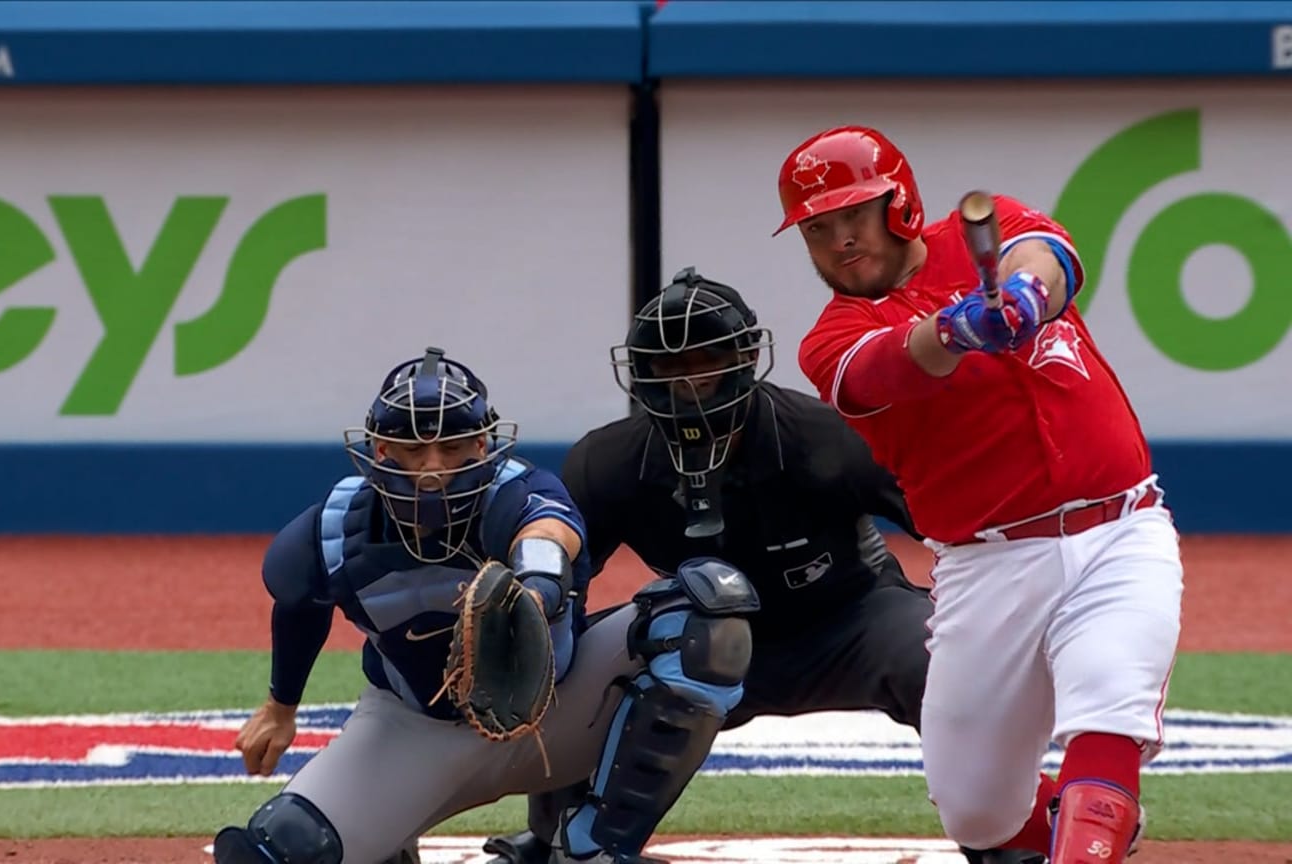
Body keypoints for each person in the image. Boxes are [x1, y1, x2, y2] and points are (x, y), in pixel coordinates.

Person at [773, 125, 1184, 864]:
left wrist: (1025, 293)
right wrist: (957, 329)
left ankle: (1094, 816)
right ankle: (1080, 814)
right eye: (818, 229)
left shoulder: (990, 227)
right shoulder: (829, 340)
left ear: (898, 205)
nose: (839, 240)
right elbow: (890, 365)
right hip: (986, 568)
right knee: (978, 813)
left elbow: (1045, 257)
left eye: (853, 216)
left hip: (1117, 532)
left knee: (1108, 714)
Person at [211, 346, 762, 864]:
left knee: (704, 616)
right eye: (411, 449)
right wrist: (280, 706)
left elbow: (549, 533)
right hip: (417, 732)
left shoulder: (519, 493)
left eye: (453, 448)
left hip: (560, 714)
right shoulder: (332, 531)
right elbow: (300, 601)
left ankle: (592, 847)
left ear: (483, 446)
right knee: (281, 848)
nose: (432, 470)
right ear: (379, 451)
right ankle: (388, 840)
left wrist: (535, 589)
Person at [484, 267, 960, 864]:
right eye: (671, 367)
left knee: (946, 660)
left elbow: (949, 523)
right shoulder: (609, 460)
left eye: (706, 362)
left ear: (742, 360)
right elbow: (564, 591)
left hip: (850, 621)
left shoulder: (823, 437)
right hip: (699, 645)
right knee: (573, 674)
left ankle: (1003, 839)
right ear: (645, 374)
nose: (689, 383)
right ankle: (558, 838)